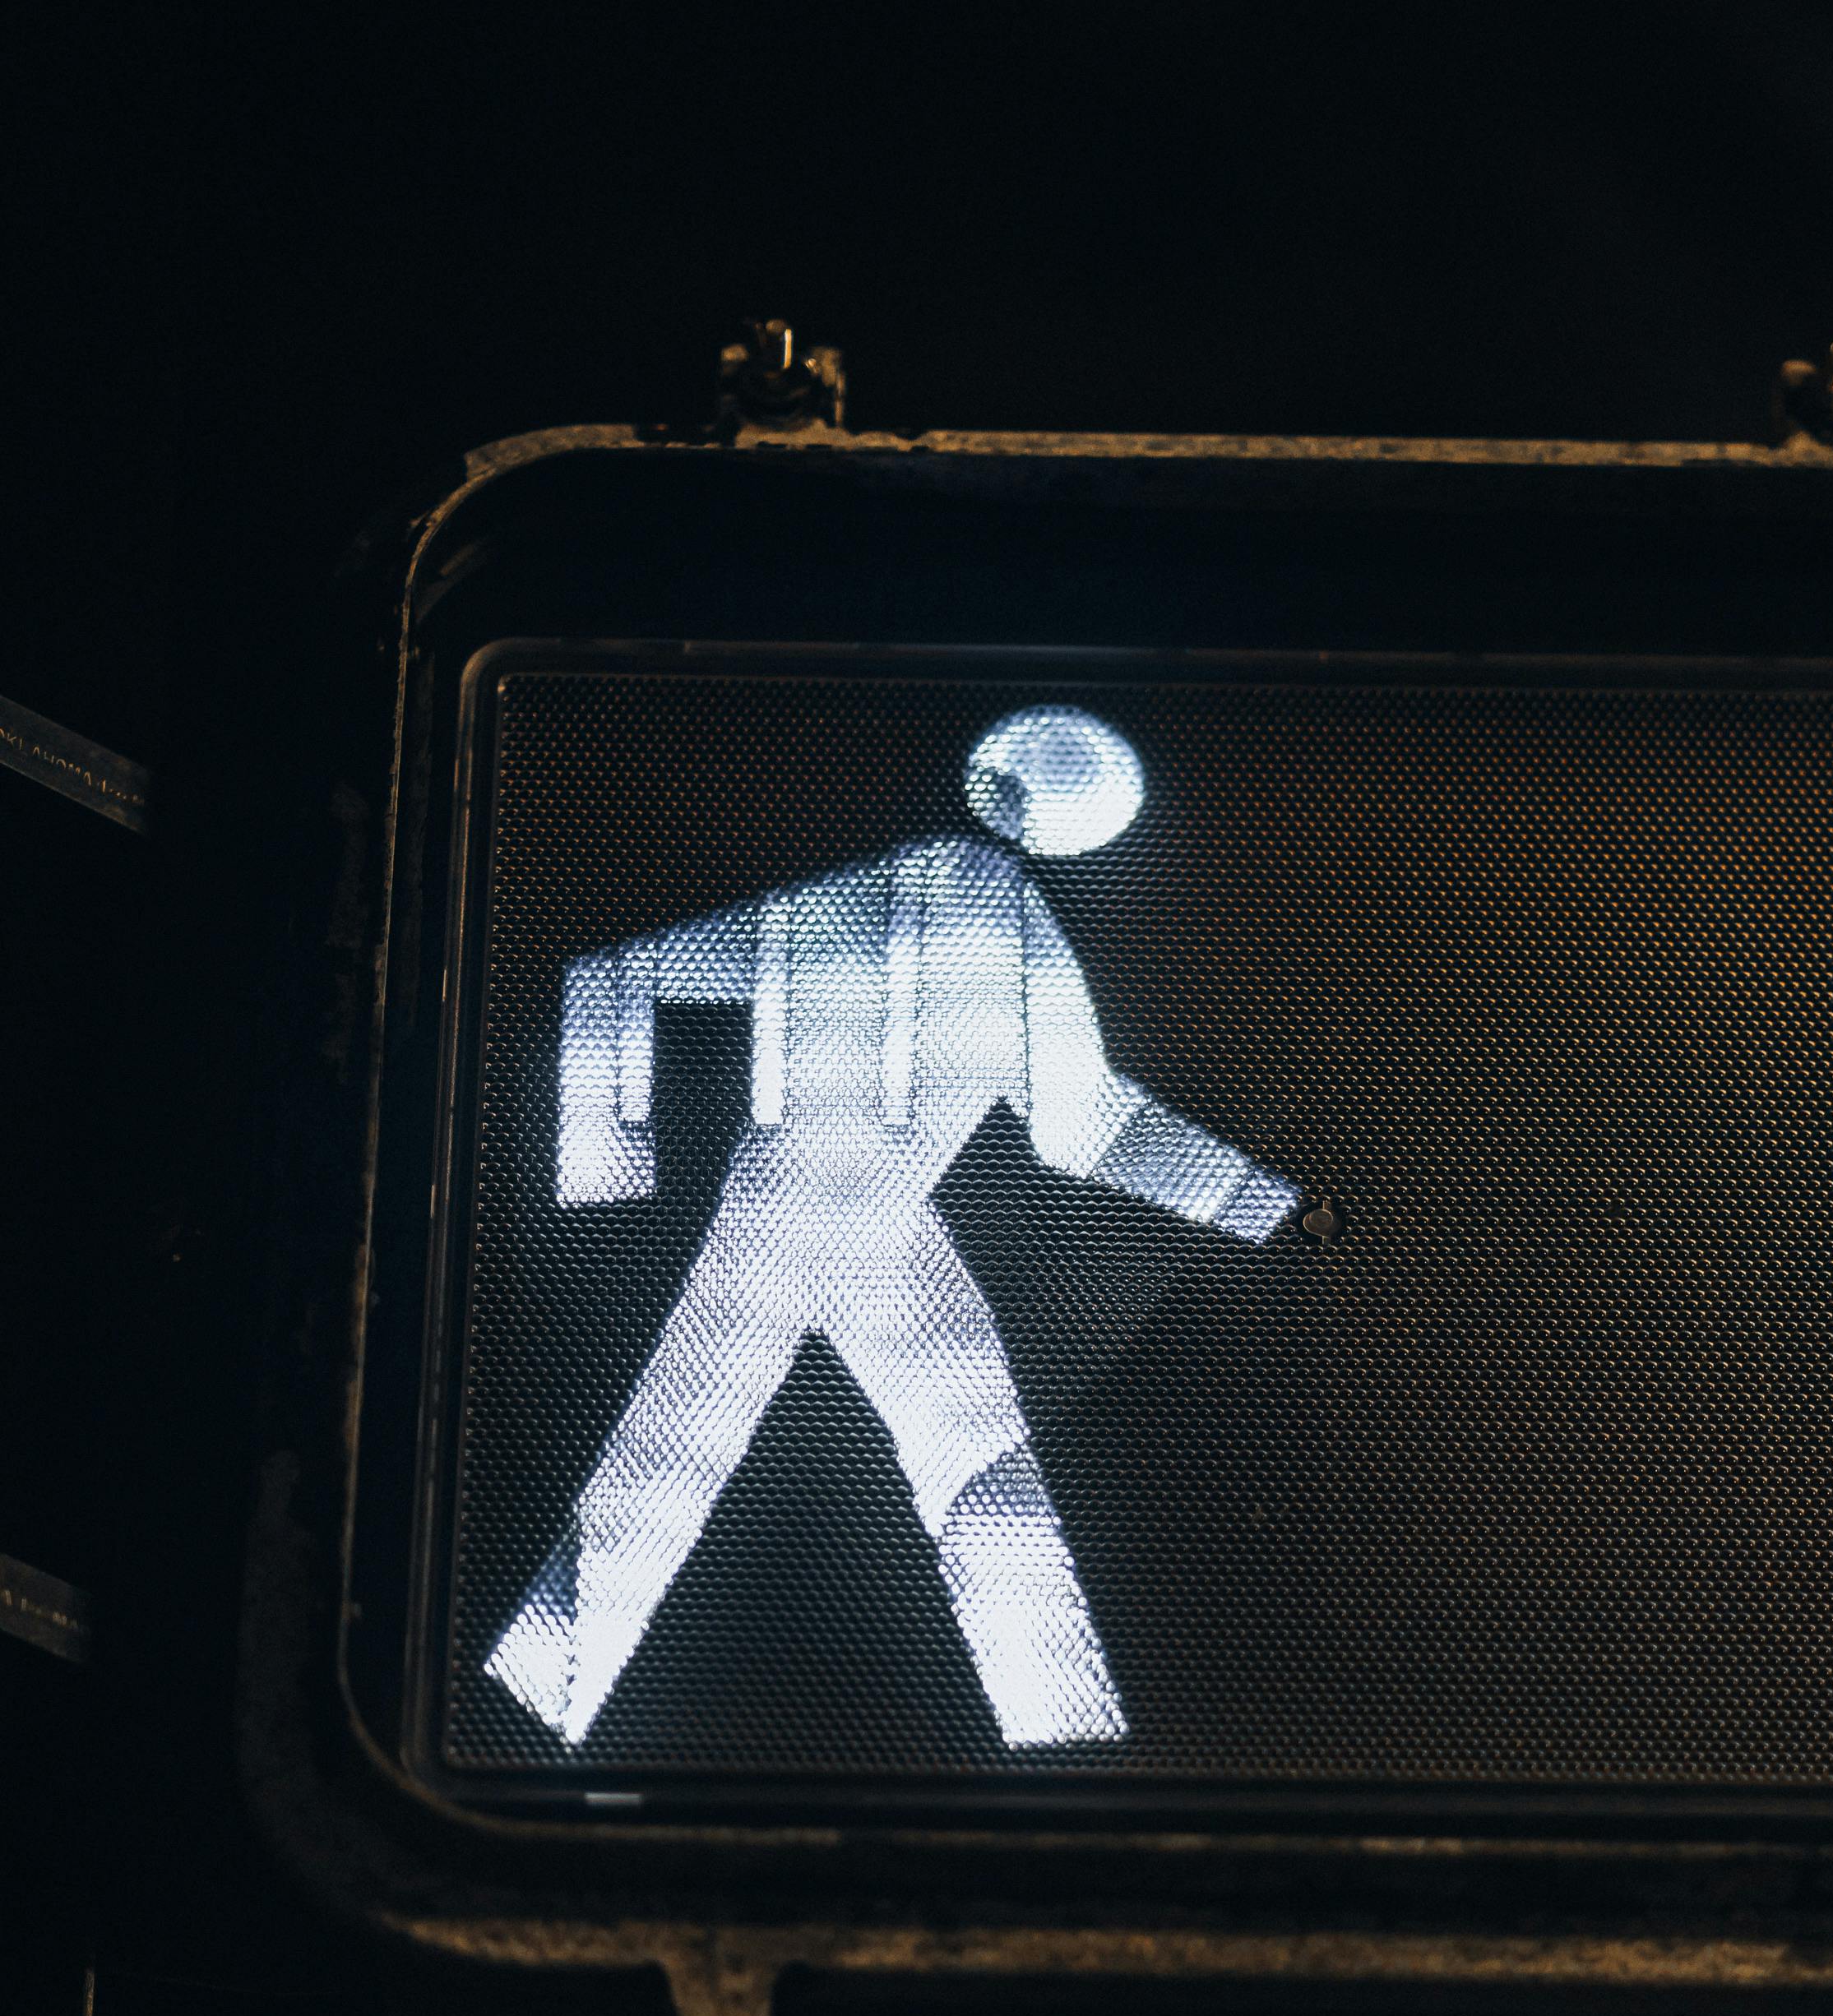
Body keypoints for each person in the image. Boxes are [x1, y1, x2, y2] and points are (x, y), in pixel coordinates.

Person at [486, 707, 1293, 1750]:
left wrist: (1266, 1208)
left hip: (890, 1237)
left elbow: (1090, 1124)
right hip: (775, 1222)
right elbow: (615, 974)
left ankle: (1063, 1742)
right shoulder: (833, 905)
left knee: (983, 1486)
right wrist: (602, 1167)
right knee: (660, 1478)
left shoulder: (1014, 933)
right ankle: (524, 1711)